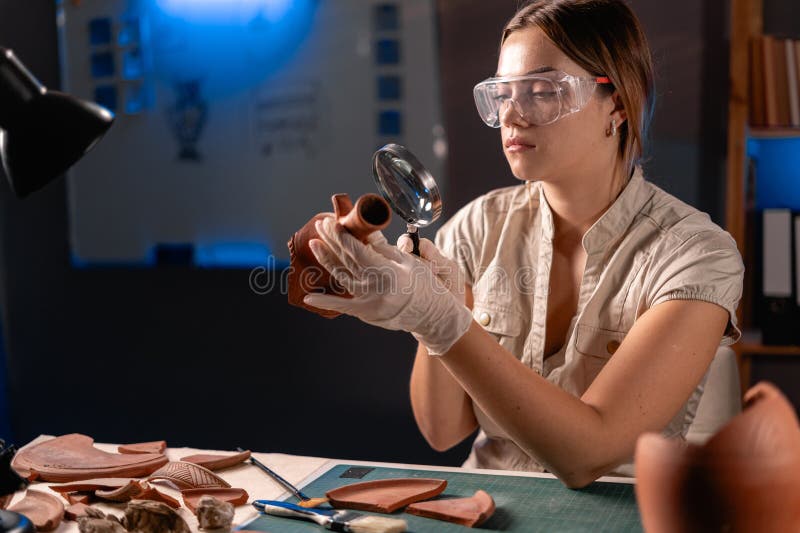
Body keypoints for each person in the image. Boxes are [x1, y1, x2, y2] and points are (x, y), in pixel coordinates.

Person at [303, 0, 743, 488]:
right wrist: (426, 318)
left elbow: (586, 456)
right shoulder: (476, 227)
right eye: (502, 94)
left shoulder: (697, 254)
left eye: (540, 91)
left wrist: (442, 319)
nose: (512, 114)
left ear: (617, 103)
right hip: (490, 502)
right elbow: (442, 430)